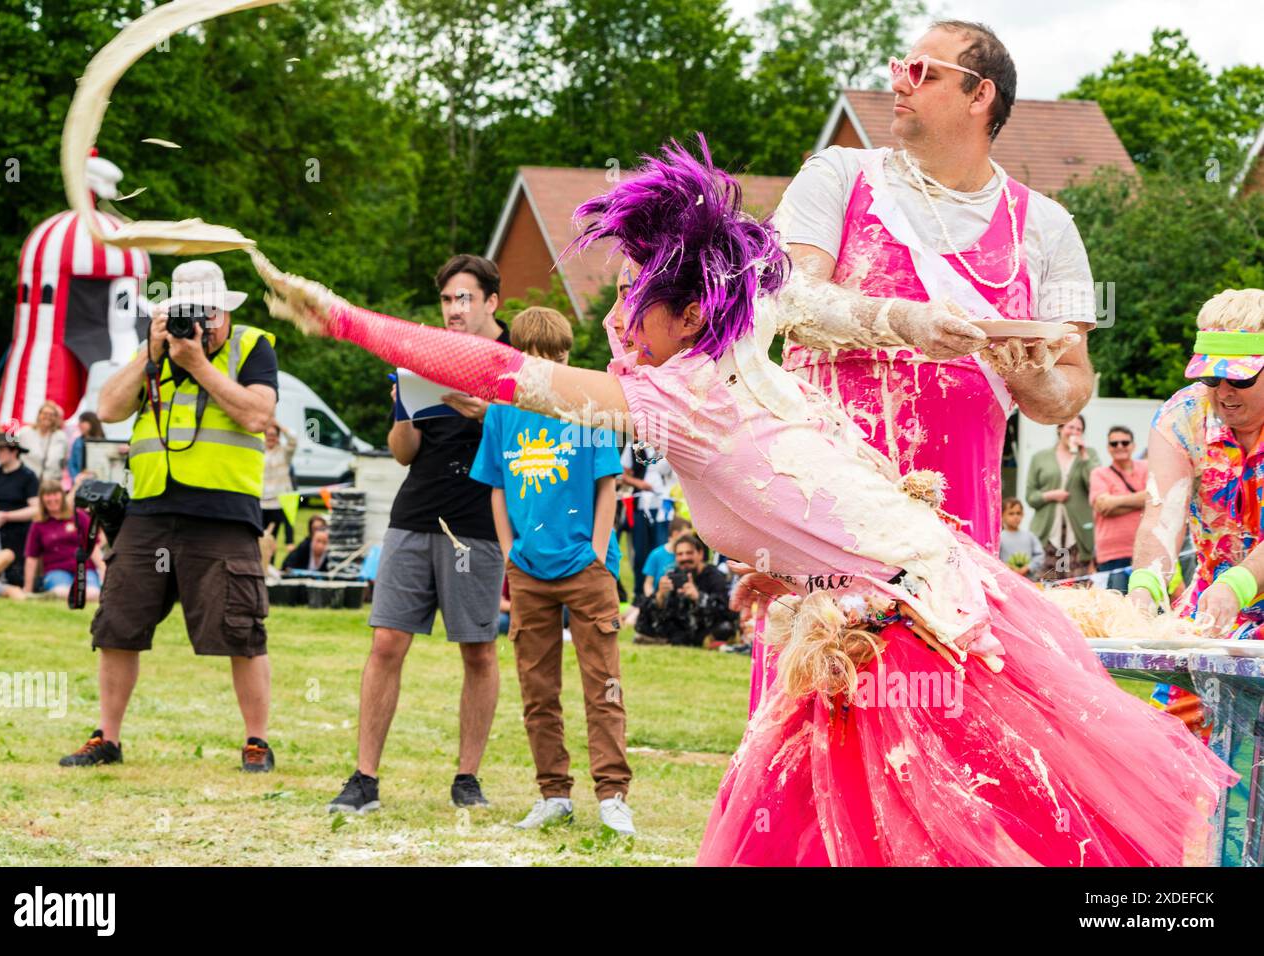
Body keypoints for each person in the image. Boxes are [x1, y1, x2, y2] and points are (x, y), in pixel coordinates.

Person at [257, 136, 1234, 865]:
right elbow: (828, 397)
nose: (613, 309)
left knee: (951, 834)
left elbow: (501, 368)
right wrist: (786, 563)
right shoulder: (720, 355)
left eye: (634, 293)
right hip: (877, 613)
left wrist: (349, 321)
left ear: (687, 316)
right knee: (793, 821)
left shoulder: (671, 396)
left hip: (918, 625)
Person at [771, 19, 1095, 555]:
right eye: (901, 68)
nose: (900, 83)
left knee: (947, 637)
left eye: (922, 72)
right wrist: (907, 322)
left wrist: (1033, 379)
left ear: (980, 94)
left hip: (959, 508)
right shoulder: (838, 174)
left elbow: (1073, 383)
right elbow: (789, 300)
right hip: (824, 489)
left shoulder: (1047, 224)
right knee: (823, 639)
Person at [58, 259, 280, 773]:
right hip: (151, 508)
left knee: (241, 631)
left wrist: (199, 363)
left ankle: (256, 742)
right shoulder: (155, 350)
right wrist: (151, 354)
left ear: (223, 310)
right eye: (185, 313)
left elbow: (256, 414)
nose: (196, 324)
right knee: (117, 622)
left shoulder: (251, 345)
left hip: (224, 510)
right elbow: (108, 410)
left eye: (205, 313)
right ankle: (107, 738)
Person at [326, 254, 510, 815]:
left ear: (492, 302)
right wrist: (404, 410)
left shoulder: (515, 360)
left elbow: (530, 446)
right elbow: (403, 453)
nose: (454, 309)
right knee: (386, 642)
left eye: (465, 298)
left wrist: (488, 415)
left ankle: (467, 779)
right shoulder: (424, 355)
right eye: (448, 298)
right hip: (415, 514)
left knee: (478, 651)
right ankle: (364, 779)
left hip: (478, 522)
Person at [468, 306, 633, 834]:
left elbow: (608, 483)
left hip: (585, 569)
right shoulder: (501, 411)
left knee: (602, 685)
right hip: (528, 573)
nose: (546, 370)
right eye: (536, 360)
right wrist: (509, 551)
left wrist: (598, 554)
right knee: (537, 690)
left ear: (567, 358)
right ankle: (553, 794)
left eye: (555, 360)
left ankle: (612, 795)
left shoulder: (589, 408)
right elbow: (497, 486)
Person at [1130, 289, 1264, 636]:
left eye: (1240, 379)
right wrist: (1144, 586)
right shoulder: (1182, 417)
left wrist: (1238, 584)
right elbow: (1162, 515)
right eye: (1210, 378)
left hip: (1230, 592)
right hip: (1210, 610)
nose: (1223, 392)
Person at [1025, 415, 1099, 580]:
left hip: (1077, 534)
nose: (1074, 432)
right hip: (1049, 533)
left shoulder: (1089, 455)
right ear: (1060, 428)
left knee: (1074, 588)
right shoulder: (1040, 457)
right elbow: (1030, 496)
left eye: (1079, 429)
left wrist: (1084, 456)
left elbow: (1095, 485)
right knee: (1047, 585)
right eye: (1070, 427)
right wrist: (1050, 495)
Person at [635, 535, 738, 647]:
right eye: (680, 554)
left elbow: (728, 611)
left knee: (725, 627)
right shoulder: (673, 575)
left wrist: (698, 597)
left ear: (700, 554)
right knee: (646, 621)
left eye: (689, 553)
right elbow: (653, 614)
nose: (684, 558)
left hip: (704, 628)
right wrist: (660, 596)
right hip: (680, 629)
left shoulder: (714, 576)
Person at [1089, 424, 1149, 592]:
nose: (1120, 447)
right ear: (1108, 448)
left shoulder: (1147, 467)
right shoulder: (1099, 473)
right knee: (1117, 608)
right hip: (1112, 554)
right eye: (1114, 444)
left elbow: (1156, 497)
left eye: (1125, 442)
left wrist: (1115, 503)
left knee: (1149, 609)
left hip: (1146, 549)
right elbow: (1102, 506)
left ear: (1133, 445)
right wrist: (1141, 500)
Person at [0, 434, 40, 586]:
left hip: (18, 532)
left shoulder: (28, 477)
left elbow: (36, 509)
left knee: (15, 578)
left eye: (2, 450)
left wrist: (7, 516)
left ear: (14, 452)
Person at [23, 480, 105, 599]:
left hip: (84, 568)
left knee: (92, 593)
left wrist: (103, 570)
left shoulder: (79, 516)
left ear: (62, 495)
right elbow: (31, 558)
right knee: (62, 592)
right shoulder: (38, 524)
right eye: (47, 495)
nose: (52, 499)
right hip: (56, 570)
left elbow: (93, 547)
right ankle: (52, 595)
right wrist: (27, 589)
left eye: (55, 494)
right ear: (42, 499)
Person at [621, 447, 676, 596]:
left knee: (661, 549)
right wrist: (639, 484)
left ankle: (661, 592)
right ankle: (640, 592)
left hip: (665, 507)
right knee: (640, 552)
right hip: (641, 505)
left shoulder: (667, 444)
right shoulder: (633, 446)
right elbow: (623, 473)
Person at [260, 420, 298, 546]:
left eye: (274, 435)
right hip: (261, 503)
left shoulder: (284, 452)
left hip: (277, 503)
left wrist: (278, 425)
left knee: (271, 540)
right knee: (259, 538)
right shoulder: (259, 451)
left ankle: (269, 564)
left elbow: (293, 438)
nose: (271, 438)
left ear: (278, 437)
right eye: (268, 435)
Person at [640, 516, 694, 599]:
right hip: (661, 599)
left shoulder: (689, 555)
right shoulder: (656, 554)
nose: (689, 540)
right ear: (675, 534)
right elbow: (648, 583)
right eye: (686, 536)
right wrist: (652, 600)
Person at [18, 400, 70, 485]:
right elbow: (12, 451)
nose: (47, 417)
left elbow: (64, 460)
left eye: (51, 415)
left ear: (55, 418)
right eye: (45, 413)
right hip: (27, 482)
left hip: (51, 483)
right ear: (39, 415)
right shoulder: (24, 432)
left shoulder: (61, 436)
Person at [997, 497, 1044, 579]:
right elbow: (995, 558)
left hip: (1029, 582)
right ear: (1002, 515)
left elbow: (1039, 556)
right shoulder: (999, 538)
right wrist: (1006, 566)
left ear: (1023, 515)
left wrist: (1028, 567)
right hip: (1007, 581)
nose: (1015, 517)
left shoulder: (1030, 537)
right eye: (1011, 513)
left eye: (1018, 513)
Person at [67, 411, 106, 483]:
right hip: (80, 480)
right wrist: (76, 477)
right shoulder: (77, 442)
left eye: (82, 421)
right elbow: (72, 463)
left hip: (98, 480)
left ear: (92, 423)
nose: (79, 424)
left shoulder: (103, 442)